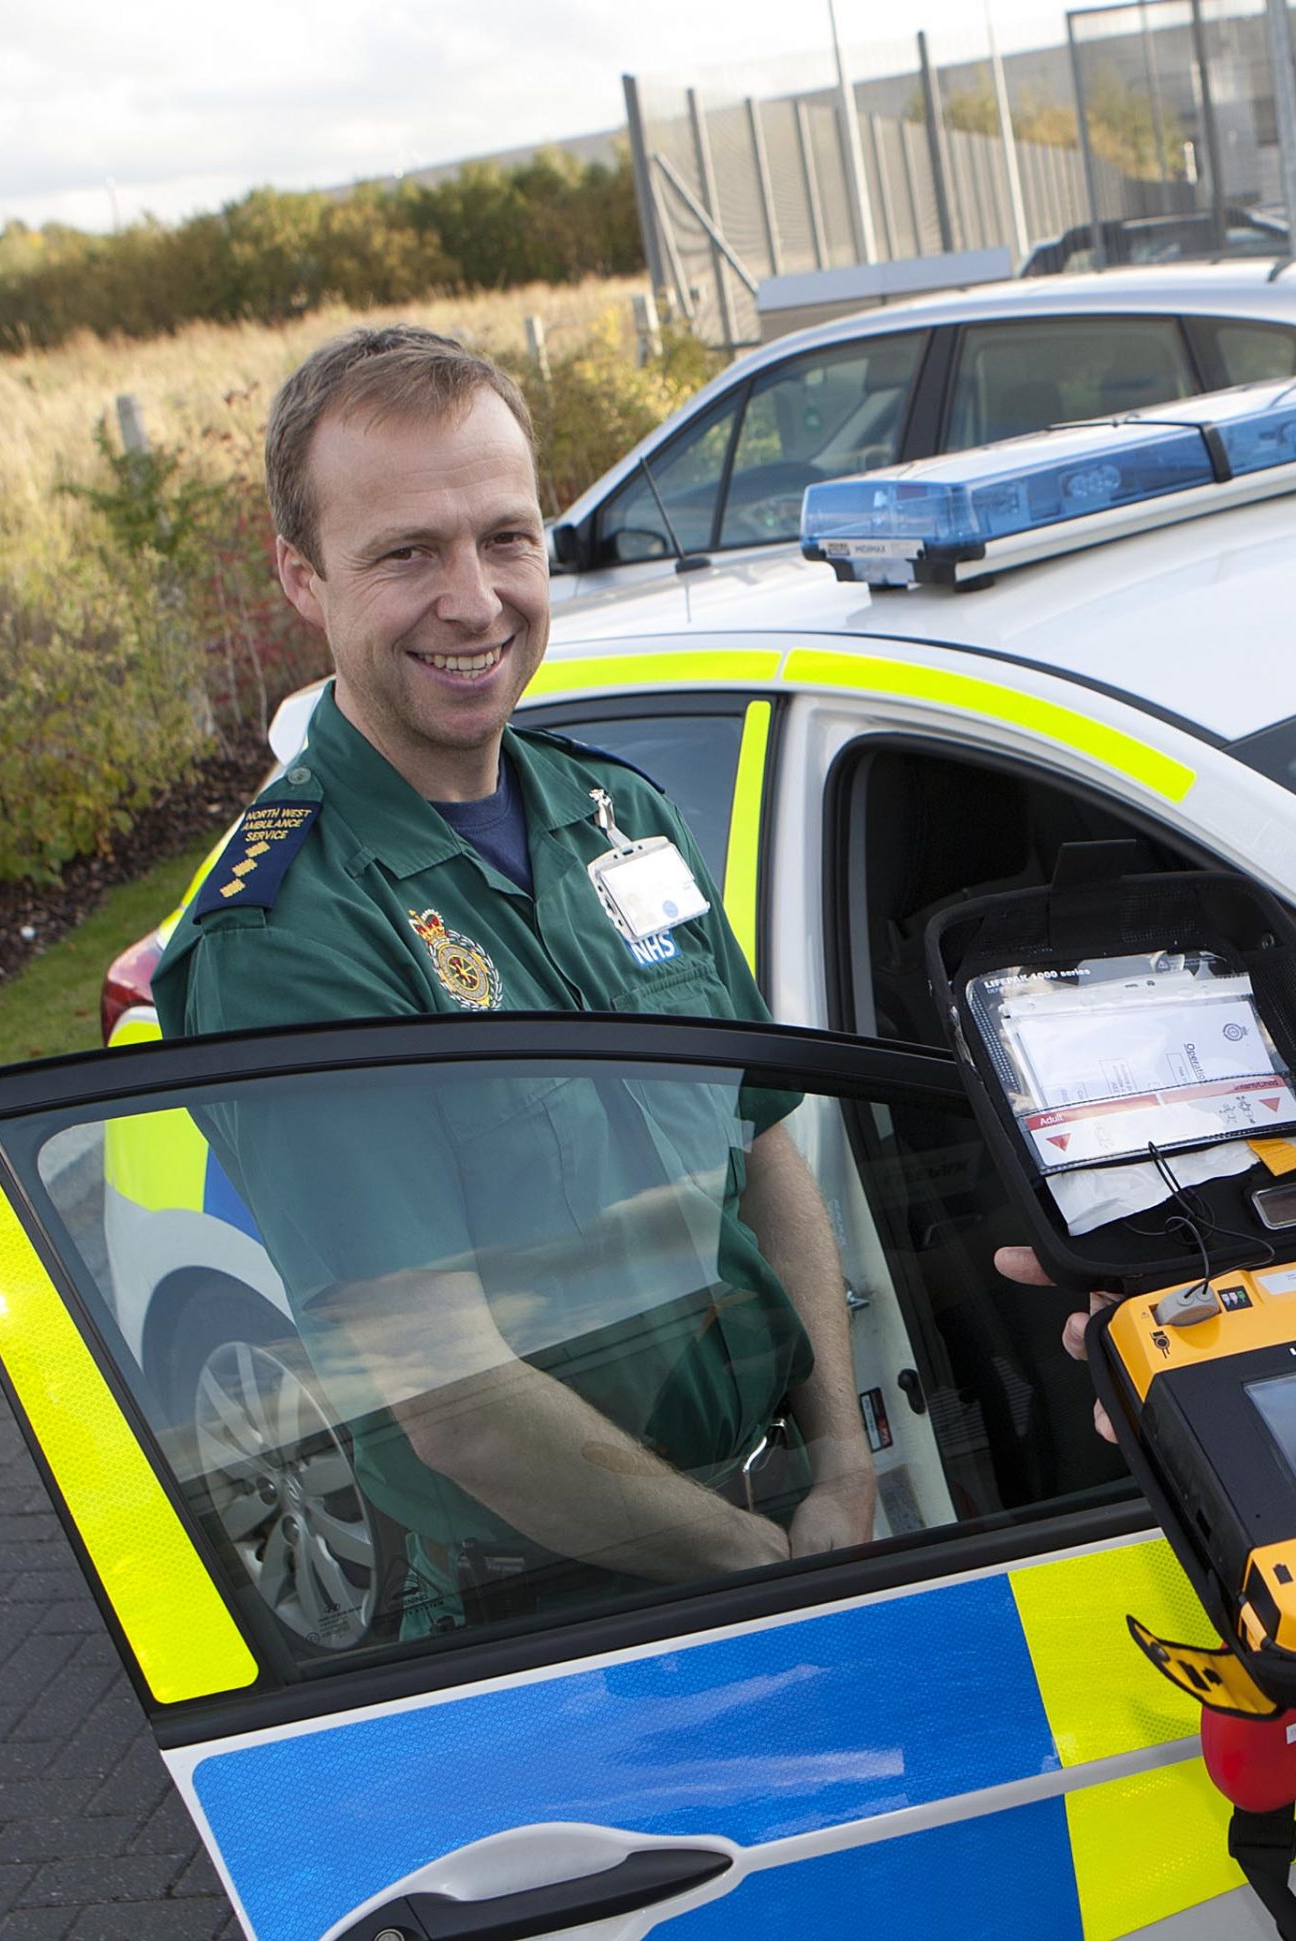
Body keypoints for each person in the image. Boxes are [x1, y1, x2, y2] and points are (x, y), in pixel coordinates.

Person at [154, 325, 876, 1634]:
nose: (475, 598)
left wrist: (841, 1464)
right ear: (300, 579)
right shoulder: (288, 933)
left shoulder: (620, 813)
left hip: (761, 1518)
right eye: (406, 554)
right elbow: (450, 1399)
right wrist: (755, 1566)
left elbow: (764, 1148)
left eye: (505, 536)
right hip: (552, 1606)